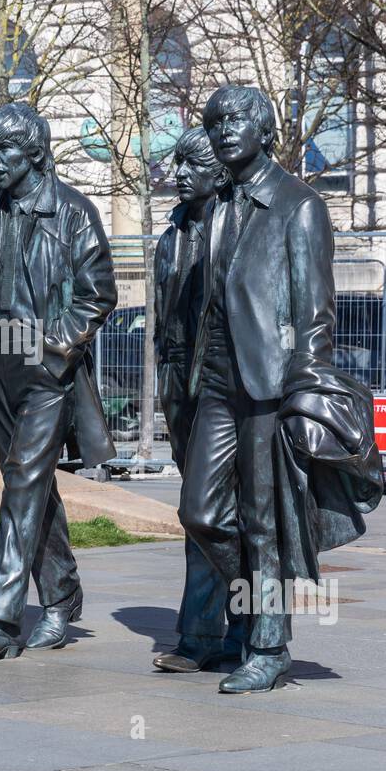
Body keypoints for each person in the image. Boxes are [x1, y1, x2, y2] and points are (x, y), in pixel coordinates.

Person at [177, 85, 377, 694]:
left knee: (263, 518)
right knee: (201, 512)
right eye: (215, 123)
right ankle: (257, 605)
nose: (224, 131)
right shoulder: (217, 206)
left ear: (264, 129)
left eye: (236, 120)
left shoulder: (299, 205)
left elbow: (316, 313)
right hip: (214, 378)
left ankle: (269, 641)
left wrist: (302, 394)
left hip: (268, 382)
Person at [0, 102, 117, 660]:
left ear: (34, 153)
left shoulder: (73, 213)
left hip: (48, 372)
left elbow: (98, 295)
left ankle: (0, 617)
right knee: (35, 488)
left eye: (3, 151)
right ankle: (61, 596)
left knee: (24, 481)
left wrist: (54, 348)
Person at [151, 128, 246, 673]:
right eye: (177, 162)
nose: (180, 173)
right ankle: (220, 629)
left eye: (192, 163)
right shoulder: (173, 236)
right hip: (183, 387)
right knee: (204, 513)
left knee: (213, 510)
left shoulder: (236, 228)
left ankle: (212, 631)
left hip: (228, 387)